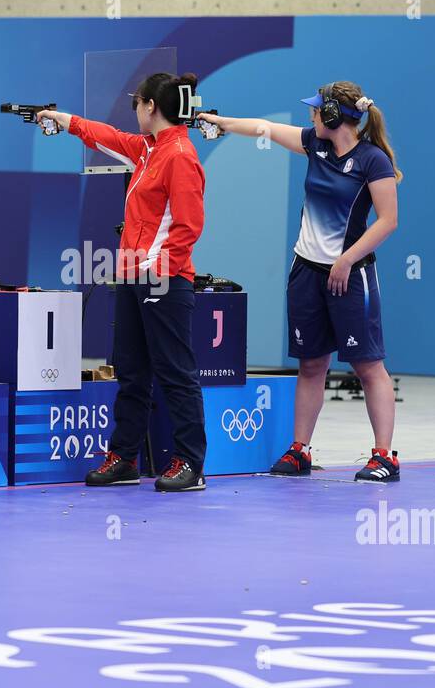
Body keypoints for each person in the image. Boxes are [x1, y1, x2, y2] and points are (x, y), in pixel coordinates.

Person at [209, 81, 403, 483]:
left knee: (368, 366)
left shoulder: (373, 161)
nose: (310, 115)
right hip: (306, 272)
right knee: (312, 364)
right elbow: (264, 128)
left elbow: (388, 220)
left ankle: (384, 456)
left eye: (316, 110)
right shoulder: (315, 145)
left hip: (350, 275)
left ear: (333, 116)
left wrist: (346, 259)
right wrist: (222, 122)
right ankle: (300, 450)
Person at [37, 72, 208, 492]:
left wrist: (154, 268)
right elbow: (107, 136)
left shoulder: (180, 154)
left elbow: (188, 225)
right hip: (135, 277)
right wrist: (65, 120)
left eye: (137, 102)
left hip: (163, 280)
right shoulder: (148, 150)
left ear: (150, 106)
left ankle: (190, 463)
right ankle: (125, 457)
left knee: (175, 372)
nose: (134, 110)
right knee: (132, 371)